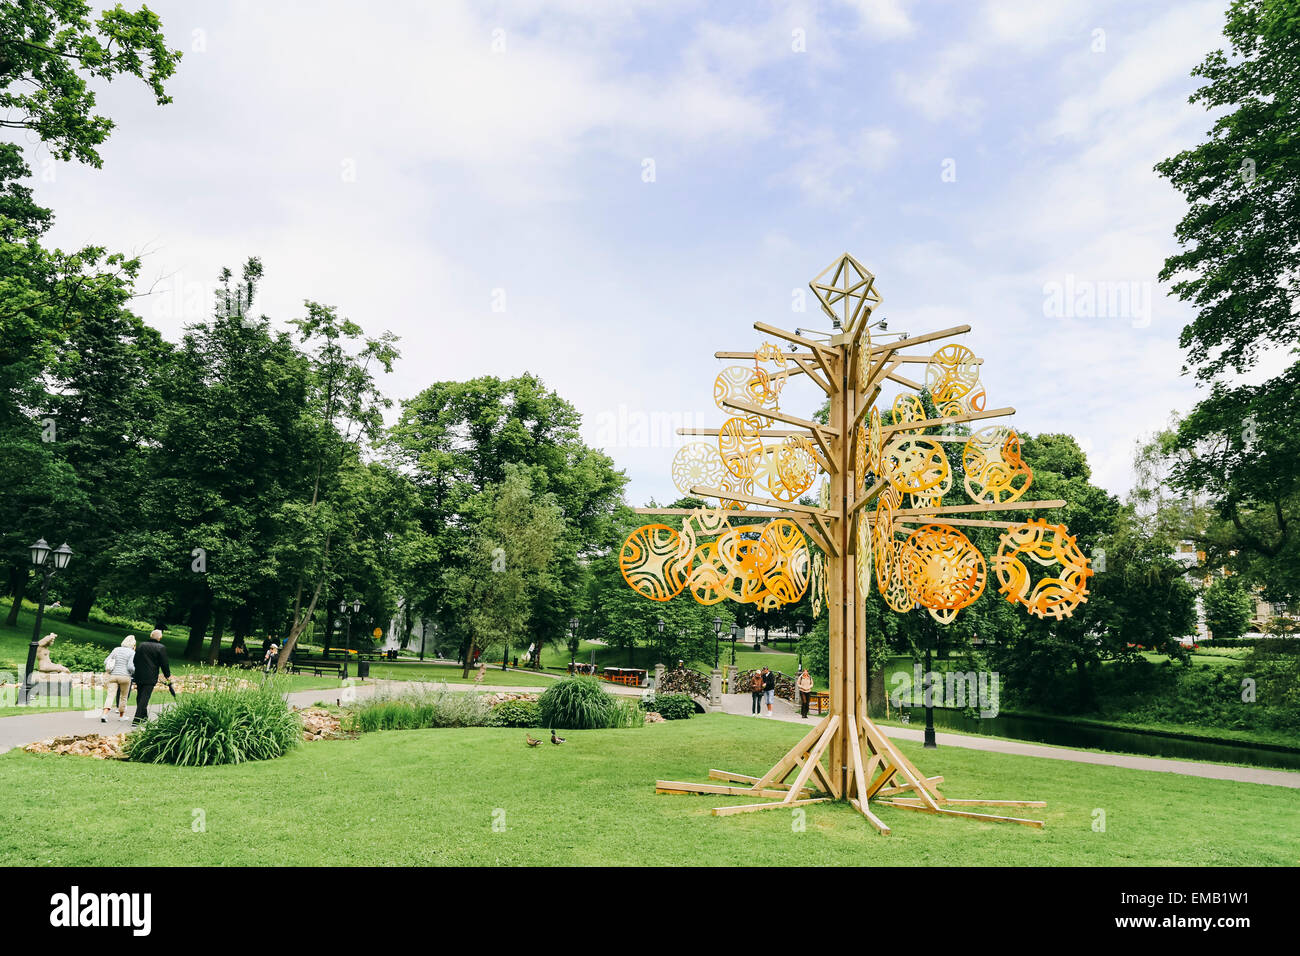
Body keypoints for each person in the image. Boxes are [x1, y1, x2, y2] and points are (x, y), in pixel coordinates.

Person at [132, 630, 173, 725]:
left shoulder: (141, 645)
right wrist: (167, 675)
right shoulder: (161, 647)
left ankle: (144, 716)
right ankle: (137, 719)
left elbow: (135, 659)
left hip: (139, 674)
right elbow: (164, 663)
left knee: (140, 695)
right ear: (159, 638)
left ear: (151, 636)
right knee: (145, 697)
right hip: (150, 675)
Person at [102, 636, 136, 723]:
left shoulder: (116, 649)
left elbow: (106, 661)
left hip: (113, 676)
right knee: (123, 697)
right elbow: (130, 667)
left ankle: (104, 714)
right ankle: (121, 716)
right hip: (125, 677)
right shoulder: (132, 652)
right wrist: (133, 672)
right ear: (133, 644)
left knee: (110, 695)